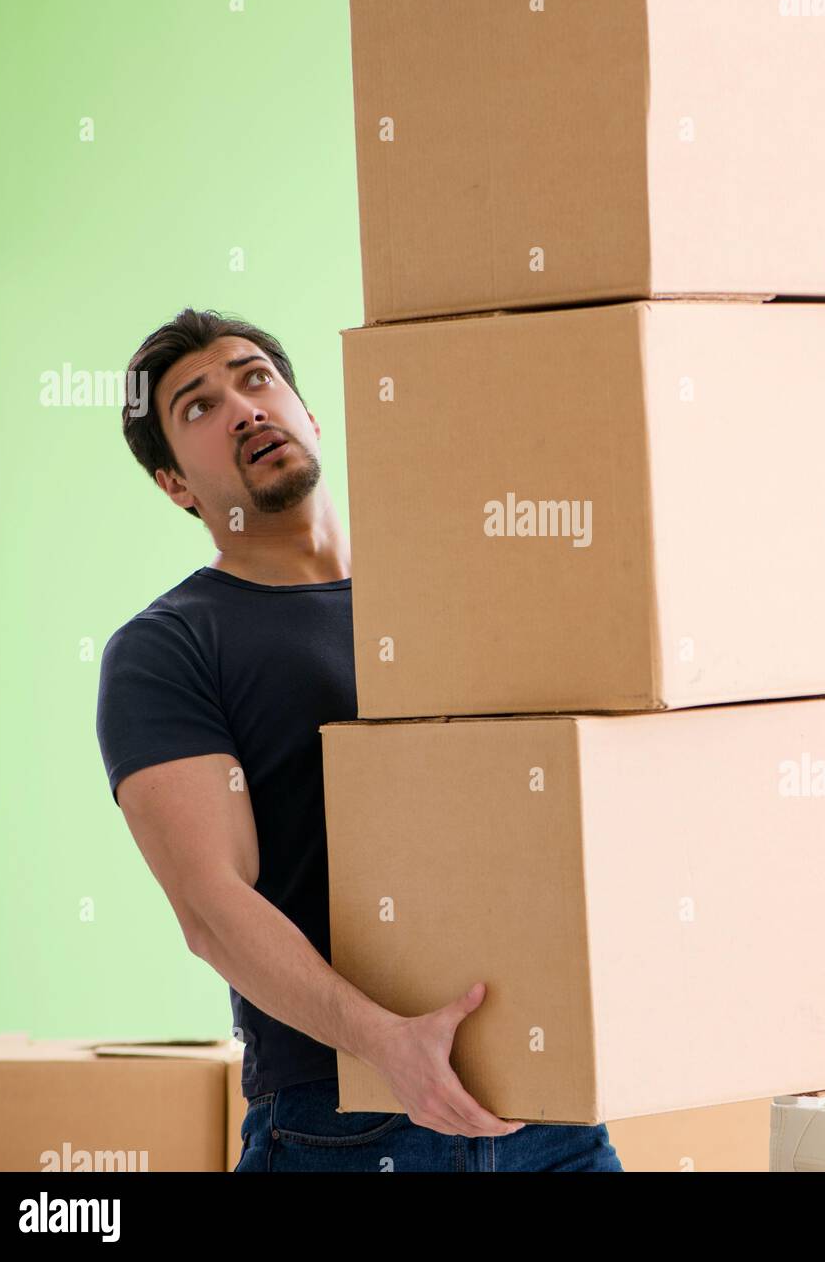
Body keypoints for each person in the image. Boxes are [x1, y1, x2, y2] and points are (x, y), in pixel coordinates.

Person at [95, 308, 623, 1173]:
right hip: (343, 1119)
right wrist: (389, 1047)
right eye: (198, 407)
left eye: (257, 377)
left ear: (307, 410)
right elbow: (212, 907)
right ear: (175, 486)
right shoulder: (170, 647)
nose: (243, 407)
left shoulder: (451, 589)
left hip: (546, 1107)